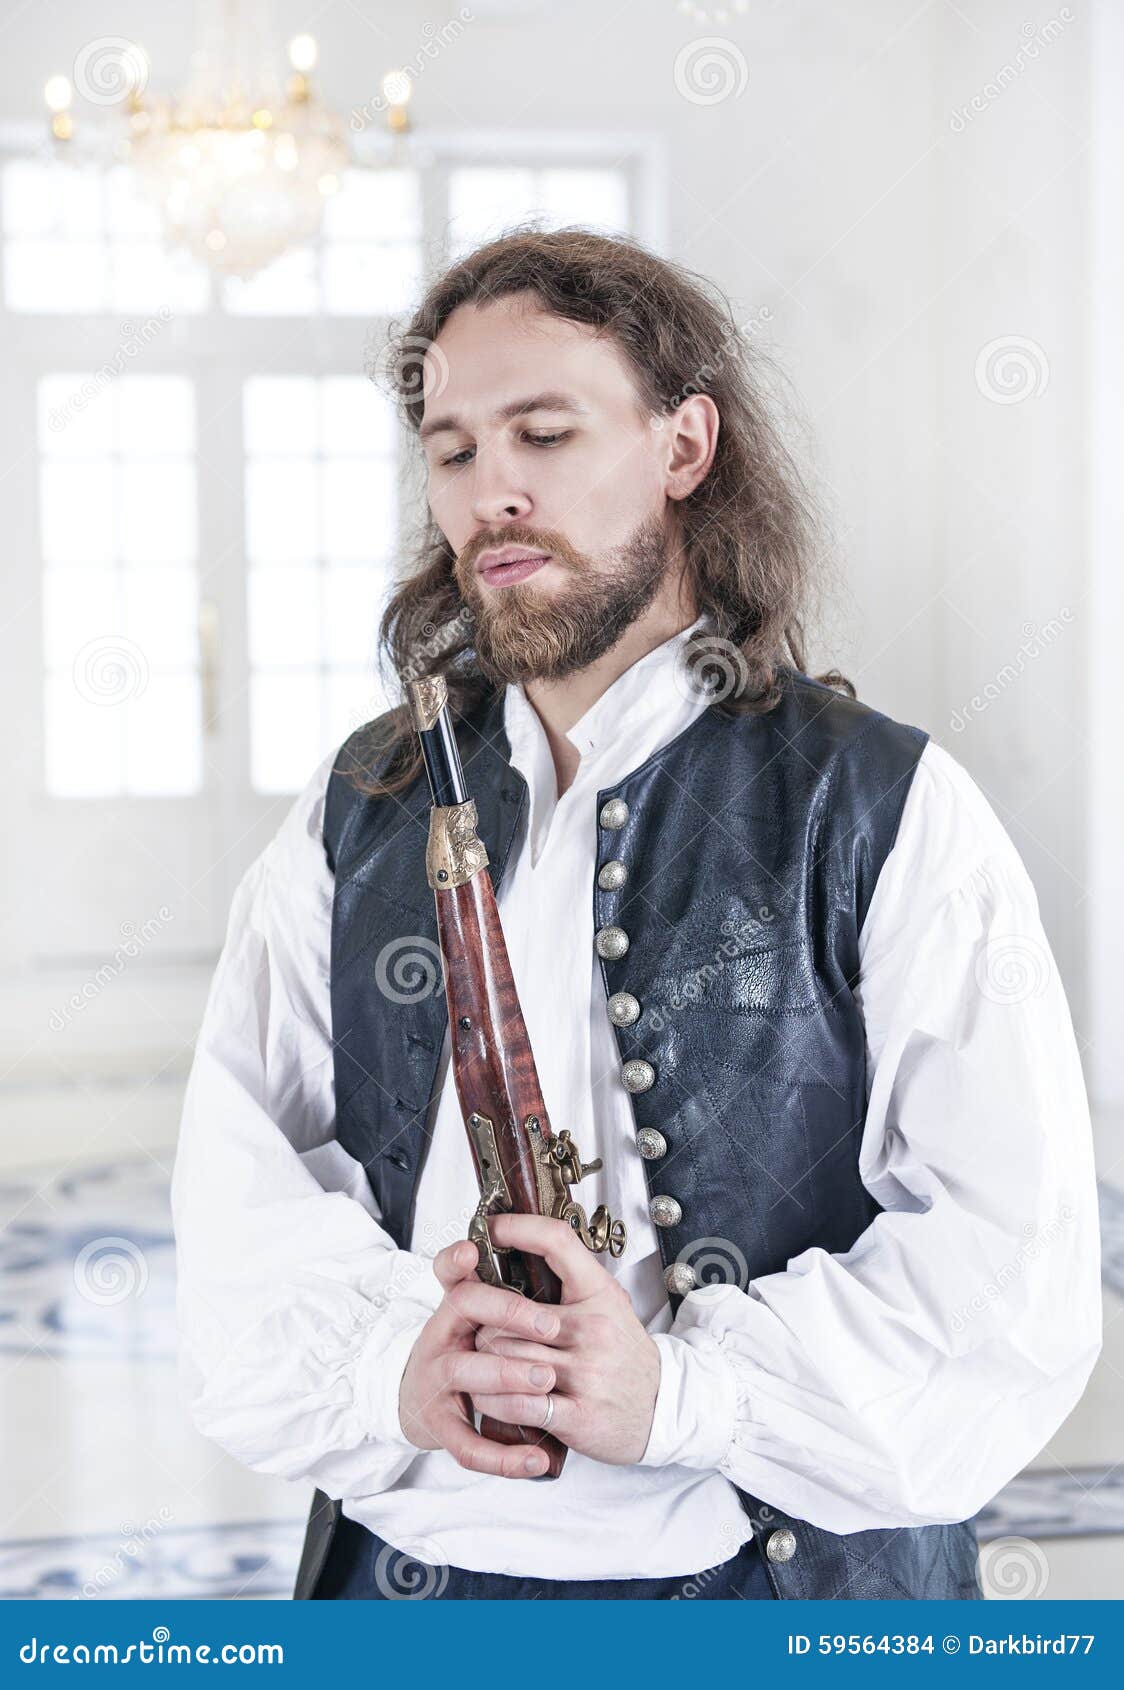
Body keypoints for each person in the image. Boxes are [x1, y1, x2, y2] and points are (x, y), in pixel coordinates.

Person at [171, 228, 1101, 1602]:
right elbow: (237, 1188)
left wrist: (682, 1391)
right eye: (453, 451)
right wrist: (394, 1366)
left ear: (684, 446)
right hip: (416, 1587)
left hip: (774, 1592)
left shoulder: (878, 805)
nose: (494, 493)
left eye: (543, 433)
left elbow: (1006, 1265)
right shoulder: (353, 811)